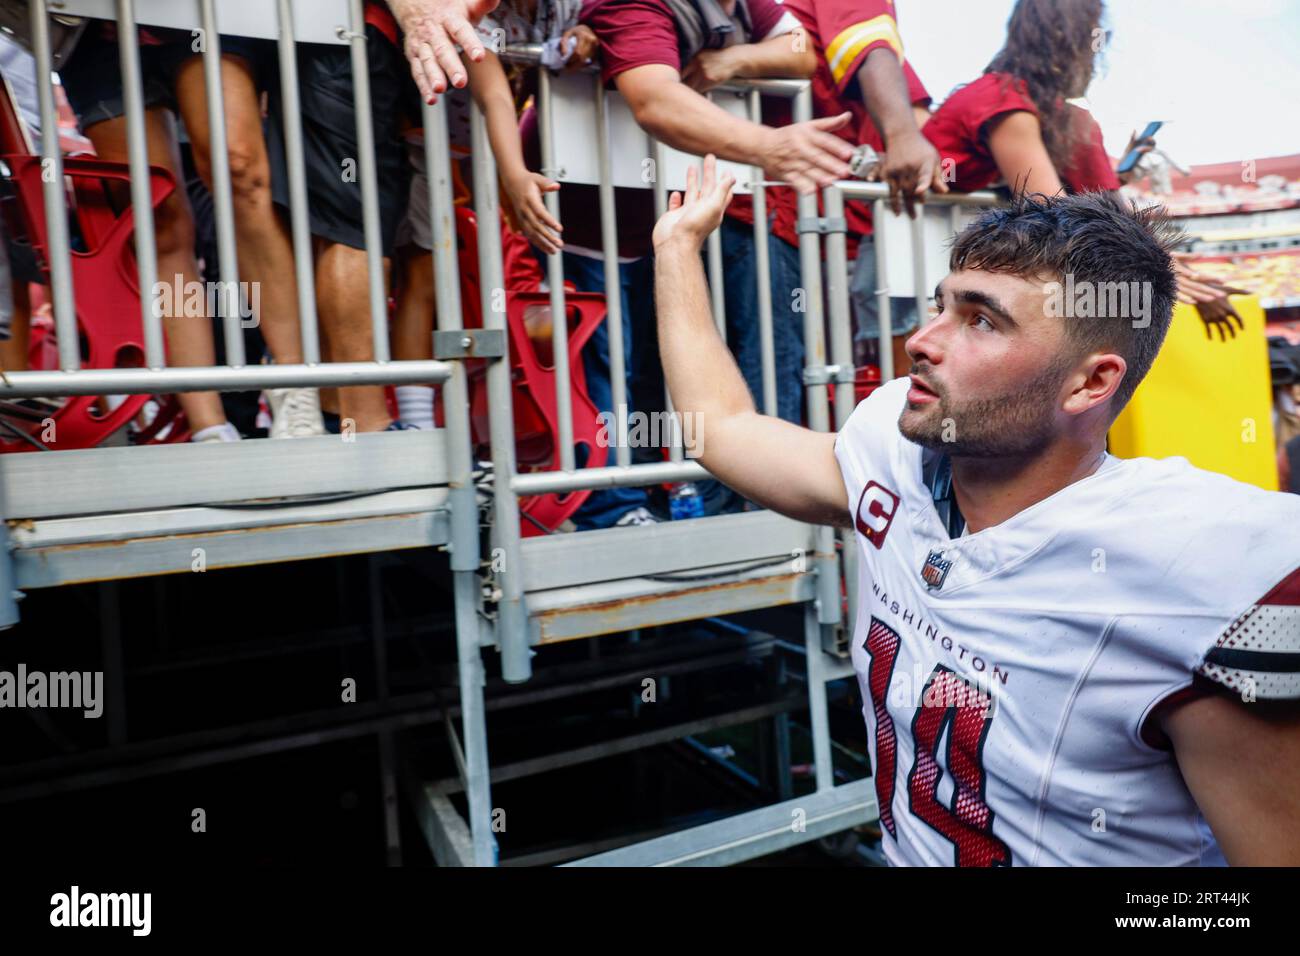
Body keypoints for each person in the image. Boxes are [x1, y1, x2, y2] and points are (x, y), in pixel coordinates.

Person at [652, 155, 1300, 866]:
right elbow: (722, 428)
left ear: (1090, 382)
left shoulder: (1199, 575)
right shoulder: (894, 460)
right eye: (942, 305)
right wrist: (677, 248)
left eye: (981, 321)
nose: (921, 341)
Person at [536, 0, 853, 527]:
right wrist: (770, 144)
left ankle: (655, 497)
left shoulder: (741, 5)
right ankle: (613, 506)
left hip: (655, 223)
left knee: (648, 368)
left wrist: (732, 62)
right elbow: (656, 100)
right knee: (611, 364)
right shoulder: (639, 4)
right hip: (587, 223)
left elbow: (802, 52)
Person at [57, 21, 326, 440]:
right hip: (93, 30)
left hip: (201, 16)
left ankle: (297, 394)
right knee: (154, 216)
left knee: (241, 172)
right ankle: (209, 428)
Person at [921, 0, 1242, 342]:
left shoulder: (1067, 119)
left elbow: (1116, 215)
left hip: (944, 256)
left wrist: (1176, 271)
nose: (1096, 59)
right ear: (1066, 40)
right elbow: (1057, 218)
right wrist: (1165, 276)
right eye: (1095, 41)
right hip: (899, 253)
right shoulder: (1002, 100)